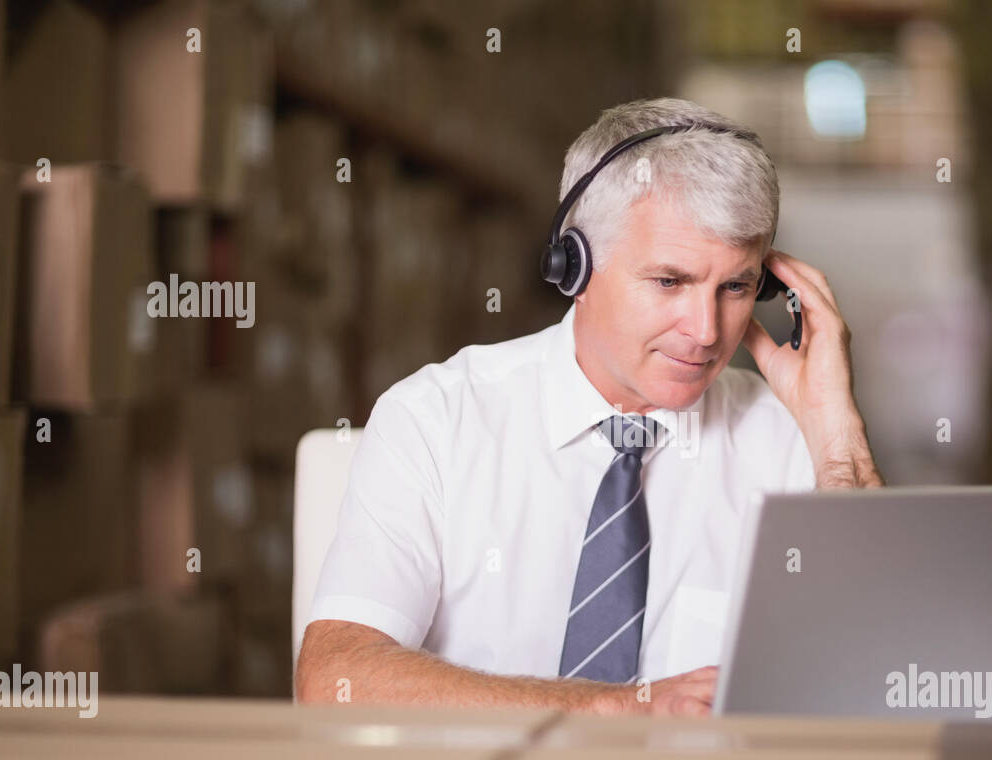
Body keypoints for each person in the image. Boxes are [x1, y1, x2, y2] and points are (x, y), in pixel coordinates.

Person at [296, 97, 883, 716]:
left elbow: (880, 678)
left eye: (735, 287)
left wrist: (835, 429)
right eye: (670, 282)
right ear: (573, 267)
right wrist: (616, 708)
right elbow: (335, 681)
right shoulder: (436, 420)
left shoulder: (789, 440)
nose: (706, 330)